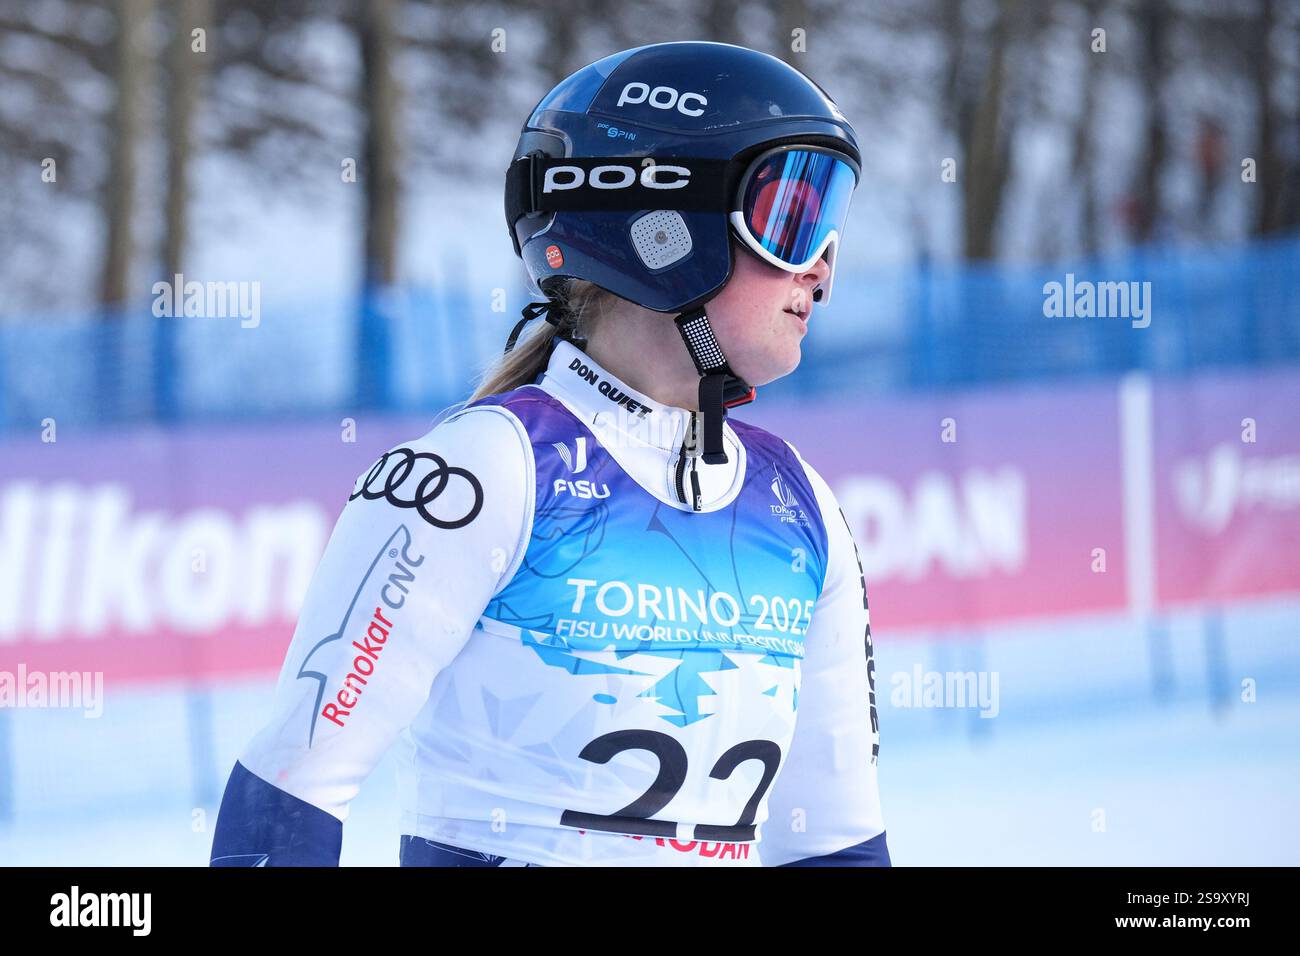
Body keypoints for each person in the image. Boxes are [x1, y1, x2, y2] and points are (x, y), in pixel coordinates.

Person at [210, 40, 887, 867]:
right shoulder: (486, 471)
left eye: (830, 230)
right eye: (792, 221)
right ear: (664, 228)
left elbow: (837, 845)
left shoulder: (801, 504)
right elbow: (293, 789)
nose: (820, 270)